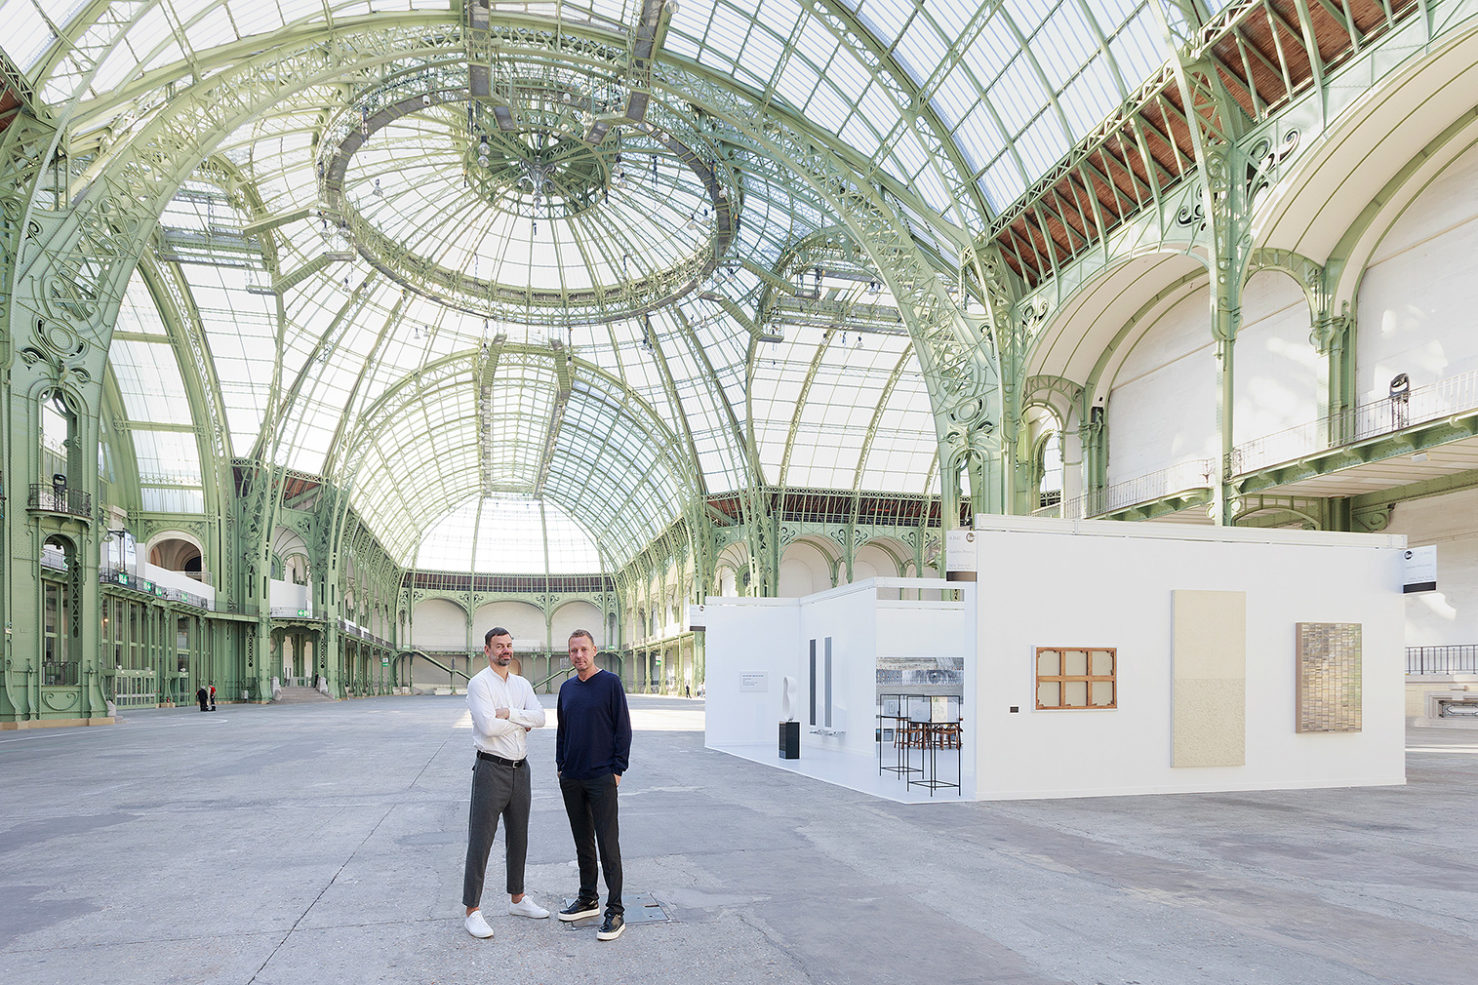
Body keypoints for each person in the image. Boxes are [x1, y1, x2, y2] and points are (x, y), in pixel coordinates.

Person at [462, 627, 549, 939]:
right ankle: (472, 910)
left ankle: (518, 898)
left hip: (520, 770)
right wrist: (521, 721)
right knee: (481, 840)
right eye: (499, 646)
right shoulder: (479, 684)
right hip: (490, 769)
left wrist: (510, 714)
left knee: (519, 836)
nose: (505, 651)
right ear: (487, 650)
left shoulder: (522, 684)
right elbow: (487, 727)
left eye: (509, 645)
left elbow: (540, 718)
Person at [555, 629, 632, 941]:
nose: (579, 656)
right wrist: (561, 767)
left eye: (584, 650)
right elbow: (562, 731)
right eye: (574, 651)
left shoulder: (610, 683)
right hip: (572, 777)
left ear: (594, 650)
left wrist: (617, 770)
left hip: (602, 777)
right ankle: (588, 898)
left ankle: (615, 910)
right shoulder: (567, 688)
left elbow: (623, 729)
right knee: (583, 842)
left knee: (607, 844)